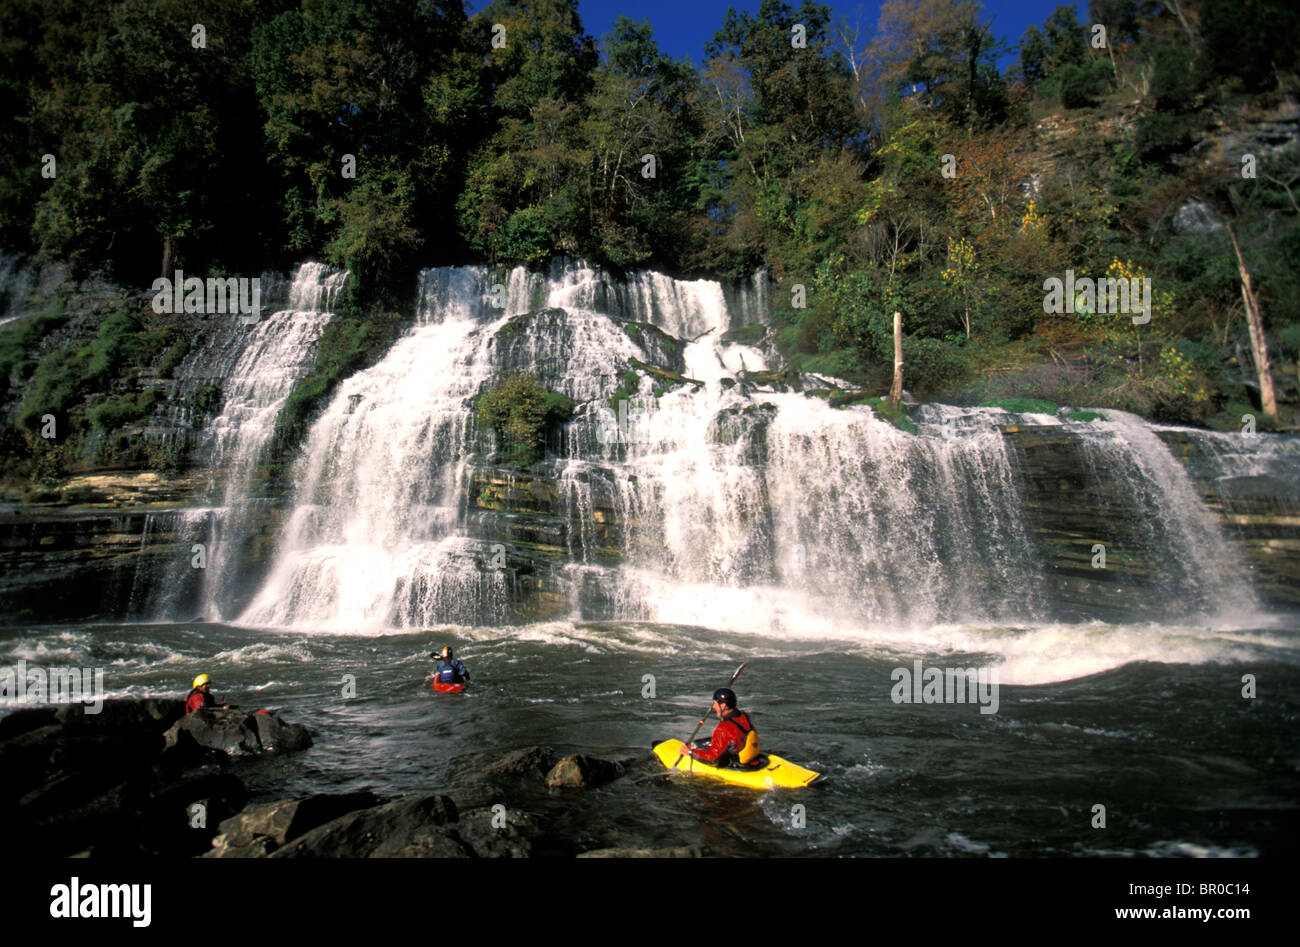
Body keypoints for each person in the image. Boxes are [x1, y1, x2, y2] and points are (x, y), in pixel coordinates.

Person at [681, 687, 760, 768]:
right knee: (696, 743)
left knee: (695, 748)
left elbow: (712, 759)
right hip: (747, 753)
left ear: (723, 705)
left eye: (715, 703)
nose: (713, 707)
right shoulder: (743, 716)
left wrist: (691, 752)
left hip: (735, 761)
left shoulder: (724, 728)